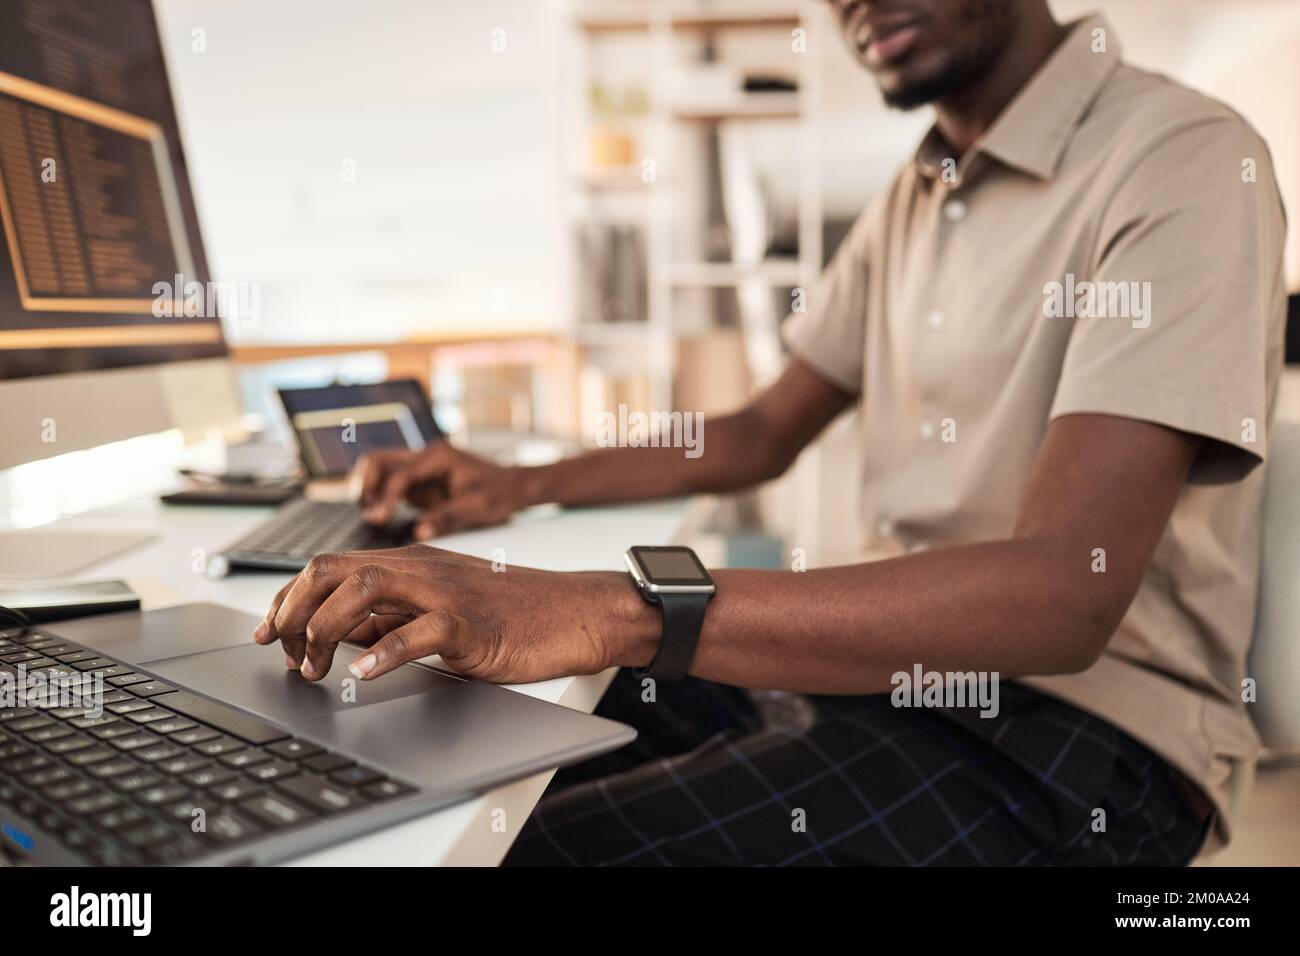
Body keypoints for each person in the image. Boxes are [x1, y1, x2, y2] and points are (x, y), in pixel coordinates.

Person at [252, 0, 1286, 865]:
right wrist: (515, 481)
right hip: (876, 672)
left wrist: (615, 606)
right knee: (431, 734)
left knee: (523, 848)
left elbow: (1064, 594)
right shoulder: (921, 191)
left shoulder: (1180, 158)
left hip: (1077, 741)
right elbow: (757, 429)